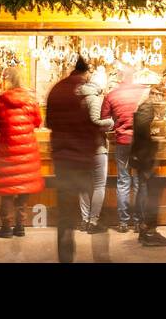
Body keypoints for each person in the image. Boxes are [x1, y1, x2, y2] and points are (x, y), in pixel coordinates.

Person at [46, 57, 106, 262]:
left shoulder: (57, 89)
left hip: (62, 159)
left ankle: (66, 257)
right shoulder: (82, 92)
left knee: (65, 214)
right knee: (96, 199)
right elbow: (91, 125)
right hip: (83, 158)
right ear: (85, 73)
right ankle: (100, 256)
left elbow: (49, 122)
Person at [0, 65, 43, 238]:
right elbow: (37, 122)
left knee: (7, 191)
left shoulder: (2, 101)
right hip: (27, 151)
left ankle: (6, 227)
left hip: (7, 152)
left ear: (8, 80)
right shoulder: (31, 100)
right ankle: (20, 226)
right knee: (23, 189)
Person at [100, 67, 146, 232]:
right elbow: (151, 114)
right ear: (134, 77)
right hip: (140, 142)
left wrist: (117, 124)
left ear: (119, 78)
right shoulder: (142, 91)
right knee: (139, 181)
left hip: (123, 141)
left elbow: (104, 121)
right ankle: (140, 222)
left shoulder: (112, 95)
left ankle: (124, 222)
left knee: (123, 180)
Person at [130, 81, 166, 245]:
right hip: (145, 158)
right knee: (151, 193)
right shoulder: (147, 107)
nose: (160, 97)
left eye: (161, 94)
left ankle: (145, 230)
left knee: (147, 191)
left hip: (143, 157)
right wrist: (150, 151)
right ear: (152, 94)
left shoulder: (146, 108)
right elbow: (143, 133)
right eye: (158, 94)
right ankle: (149, 232)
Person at [78, 65, 114, 232]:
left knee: (84, 186)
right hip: (97, 148)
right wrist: (110, 123)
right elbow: (95, 122)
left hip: (80, 148)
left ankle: (84, 219)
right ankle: (93, 222)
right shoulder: (95, 99)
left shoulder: (78, 98)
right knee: (99, 185)